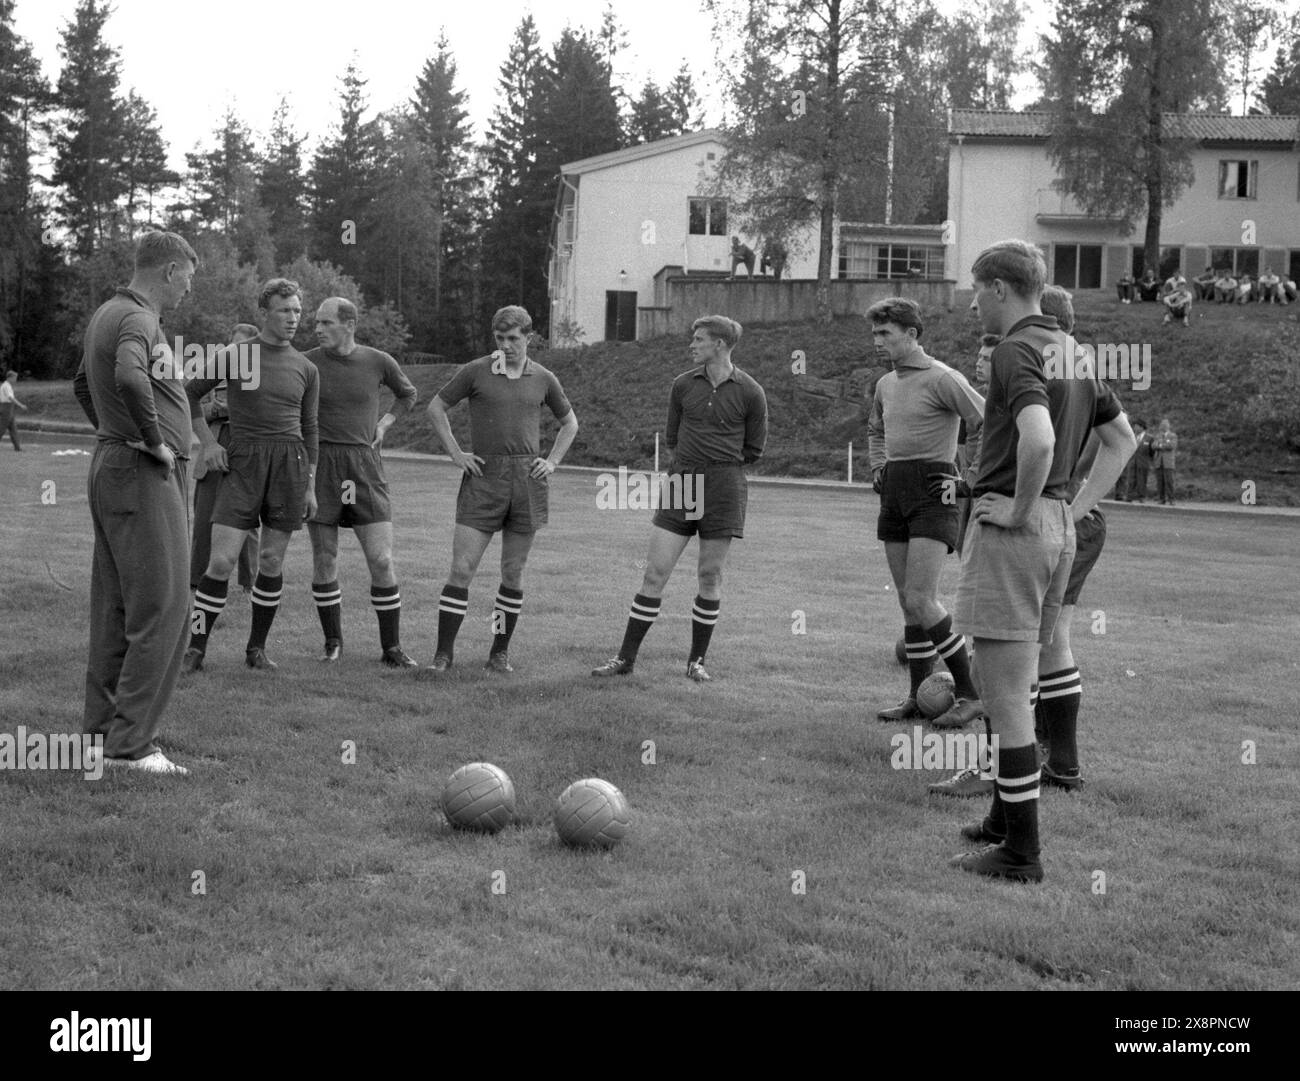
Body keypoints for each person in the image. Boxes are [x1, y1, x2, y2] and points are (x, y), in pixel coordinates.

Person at [951, 238, 1134, 883]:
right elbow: (1122, 439)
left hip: (1018, 529)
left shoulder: (1014, 349)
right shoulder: (1072, 350)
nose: (973, 303)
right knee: (1020, 679)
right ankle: (1003, 821)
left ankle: (1021, 853)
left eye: (977, 290)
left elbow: (1039, 436)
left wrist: (1023, 508)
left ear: (1000, 288)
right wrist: (1070, 506)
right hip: (1060, 528)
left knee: (1004, 695)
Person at [71, 230, 199, 775]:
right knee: (166, 607)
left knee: (118, 606)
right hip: (142, 471)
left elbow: (82, 384)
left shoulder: (108, 312)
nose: (189, 290)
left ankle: (101, 736)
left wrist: (113, 433)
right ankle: (132, 747)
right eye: (189, 278)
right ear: (170, 271)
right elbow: (126, 375)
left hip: (113, 465)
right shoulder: (141, 319)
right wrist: (151, 441)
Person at [592, 314, 767, 682]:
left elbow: (753, 449)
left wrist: (717, 466)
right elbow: (673, 437)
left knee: (709, 574)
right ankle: (624, 659)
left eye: (699, 339)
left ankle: (696, 662)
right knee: (654, 573)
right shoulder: (682, 385)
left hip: (724, 487)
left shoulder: (751, 391)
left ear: (719, 344)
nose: (692, 345)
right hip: (683, 481)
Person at [426, 305, 578, 674]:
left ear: (528, 337)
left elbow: (570, 423)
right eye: (500, 338)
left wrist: (553, 462)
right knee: (462, 568)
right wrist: (456, 453)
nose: (506, 346)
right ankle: (443, 655)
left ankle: (498, 653)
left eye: (513, 339)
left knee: (512, 571)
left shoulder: (544, 377)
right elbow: (435, 407)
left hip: (527, 480)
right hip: (484, 477)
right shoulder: (476, 371)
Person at [184, 278, 319, 672]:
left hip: (289, 465)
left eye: (297, 310)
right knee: (221, 561)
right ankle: (196, 649)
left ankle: (256, 650)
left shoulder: (306, 367)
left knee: (271, 561)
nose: (293, 318)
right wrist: (208, 444)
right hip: (243, 463)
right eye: (284, 310)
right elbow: (189, 393)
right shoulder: (236, 355)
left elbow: (310, 429)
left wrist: (310, 484)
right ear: (265, 313)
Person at [864, 297, 985, 728]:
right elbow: (876, 428)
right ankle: (917, 695)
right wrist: (879, 464)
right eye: (875, 333)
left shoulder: (944, 377)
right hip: (894, 487)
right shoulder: (885, 384)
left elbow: (987, 420)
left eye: (885, 334)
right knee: (906, 602)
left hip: (937, 489)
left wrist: (968, 477)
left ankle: (970, 693)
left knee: (922, 597)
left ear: (911, 335)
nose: (877, 342)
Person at [305, 297, 419, 667]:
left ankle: (391, 648)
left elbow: (408, 394)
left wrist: (385, 424)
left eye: (326, 323)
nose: (318, 329)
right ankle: (333, 642)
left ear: (349, 323)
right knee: (325, 558)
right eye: (316, 323)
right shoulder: (307, 362)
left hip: (365, 465)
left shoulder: (378, 361)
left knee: (382, 559)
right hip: (322, 466)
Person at [190, 325, 260, 595]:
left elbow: (264, 413)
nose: (236, 350)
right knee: (204, 517)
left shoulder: (260, 375)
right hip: (213, 450)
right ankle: (196, 580)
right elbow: (195, 407)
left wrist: (231, 409)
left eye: (243, 345)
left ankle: (249, 582)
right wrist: (216, 409)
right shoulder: (212, 373)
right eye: (233, 345)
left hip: (247, 451)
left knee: (248, 520)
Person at [1113, 416, 1150, 502]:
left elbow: (1151, 451)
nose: (1134, 428)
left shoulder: (1149, 438)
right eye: (1134, 426)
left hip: (1142, 462)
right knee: (1131, 479)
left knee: (1141, 480)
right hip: (1132, 461)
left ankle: (1141, 497)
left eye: (1136, 426)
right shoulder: (1132, 436)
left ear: (1142, 427)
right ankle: (1130, 496)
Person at [1150, 417, 1177, 505]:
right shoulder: (1157, 436)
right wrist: (1162, 445)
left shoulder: (1173, 436)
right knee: (1160, 482)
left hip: (1168, 463)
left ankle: (1171, 499)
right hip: (1159, 462)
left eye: (1165, 425)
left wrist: (1160, 445)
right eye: (1162, 425)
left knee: (1169, 482)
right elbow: (1153, 446)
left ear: (1169, 426)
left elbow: (1171, 446)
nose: (1163, 426)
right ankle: (1161, 499)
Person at [0, 370, 27, 450]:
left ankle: (17, 447)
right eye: (15, 378)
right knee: (1, 429)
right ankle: (17, 447)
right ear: (10, 378)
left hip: (9, 409)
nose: (16, 380)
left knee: (13, 429)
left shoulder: (6, 385)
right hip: (6, 409)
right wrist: (21, 405)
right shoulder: (6, 386)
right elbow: (10, 398)